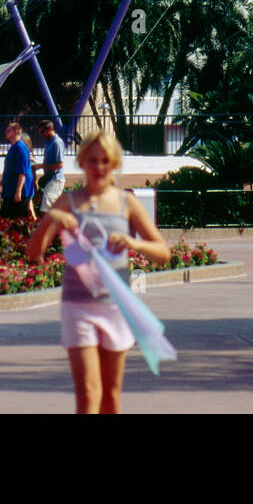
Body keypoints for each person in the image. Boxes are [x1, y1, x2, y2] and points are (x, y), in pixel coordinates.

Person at [27, 129, 171, 414]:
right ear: (82, 163)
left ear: (114, 163)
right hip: (78, 308)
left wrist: (131, 242)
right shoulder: (69, 201)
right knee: (88, 394)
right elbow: (34, 253)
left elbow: (163, 253)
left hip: (116, 308)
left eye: (105, 160)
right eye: (92, 160)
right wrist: (50, 220)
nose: (99, 167)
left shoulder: (126, 203)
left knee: (111, 398)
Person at [0, 120, 35, 221]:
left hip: (18, 192)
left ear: (16, 132)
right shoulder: (13, 148)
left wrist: (18, 192)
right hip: (10, 191)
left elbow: (23, 172)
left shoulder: (21, 148)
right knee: (5, 220)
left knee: (18, 222)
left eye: (9, 130)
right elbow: (9, 172)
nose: (6, 132)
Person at [37, 119, 66, 215]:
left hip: (56, 178)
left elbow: (59, 164)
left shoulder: (56, 143)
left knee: (46, 209)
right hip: (50, 179)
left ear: (49, 129)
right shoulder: (48, 142)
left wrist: (41, 166)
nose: (41, 135)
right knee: (47, 208)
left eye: (42, 132)